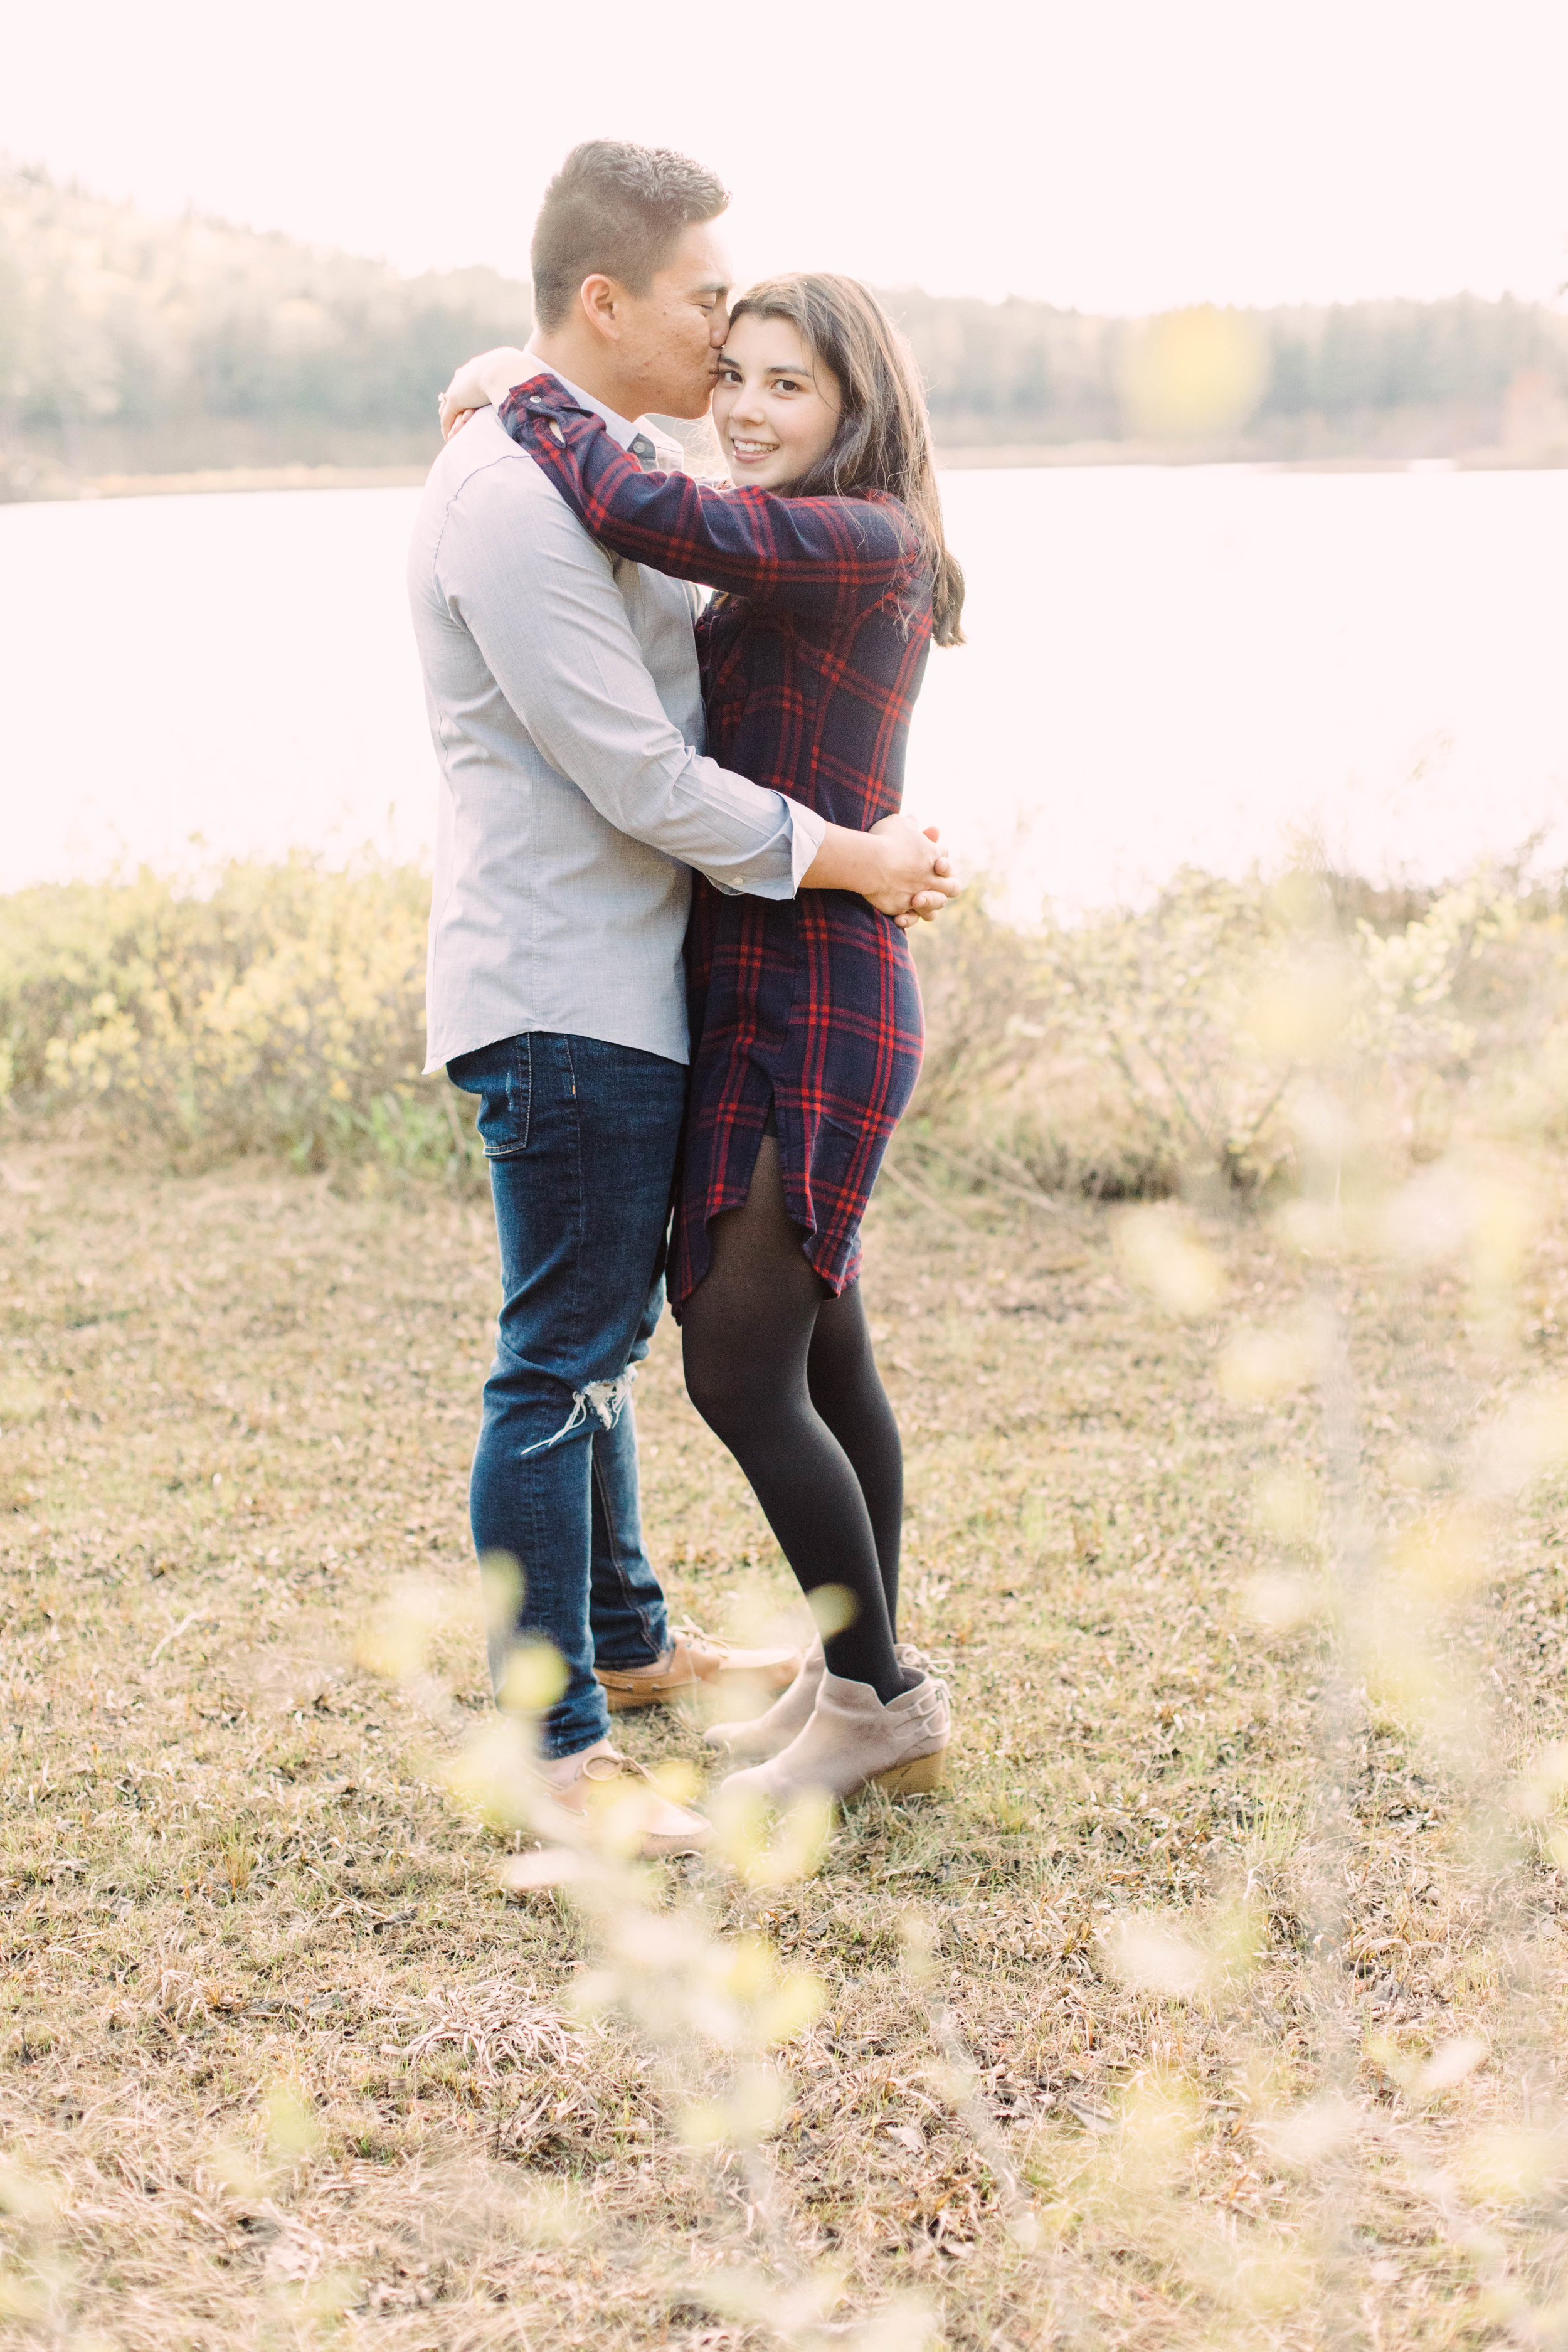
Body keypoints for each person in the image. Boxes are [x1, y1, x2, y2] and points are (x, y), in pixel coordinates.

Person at [408, 142, 956, 1860]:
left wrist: (522, 393)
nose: (732, 375)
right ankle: (637, 1713)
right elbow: (646, 750)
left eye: (780, 372)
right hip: (658, 981)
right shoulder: (540, 486)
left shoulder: (842, 536)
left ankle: (857, 1689)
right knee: (655, 1355)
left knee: (720, 1358)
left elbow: (664, 521)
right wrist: (520, 397)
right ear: (608, 304)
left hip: (793, 984)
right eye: (721, 341)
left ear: (856, 404)